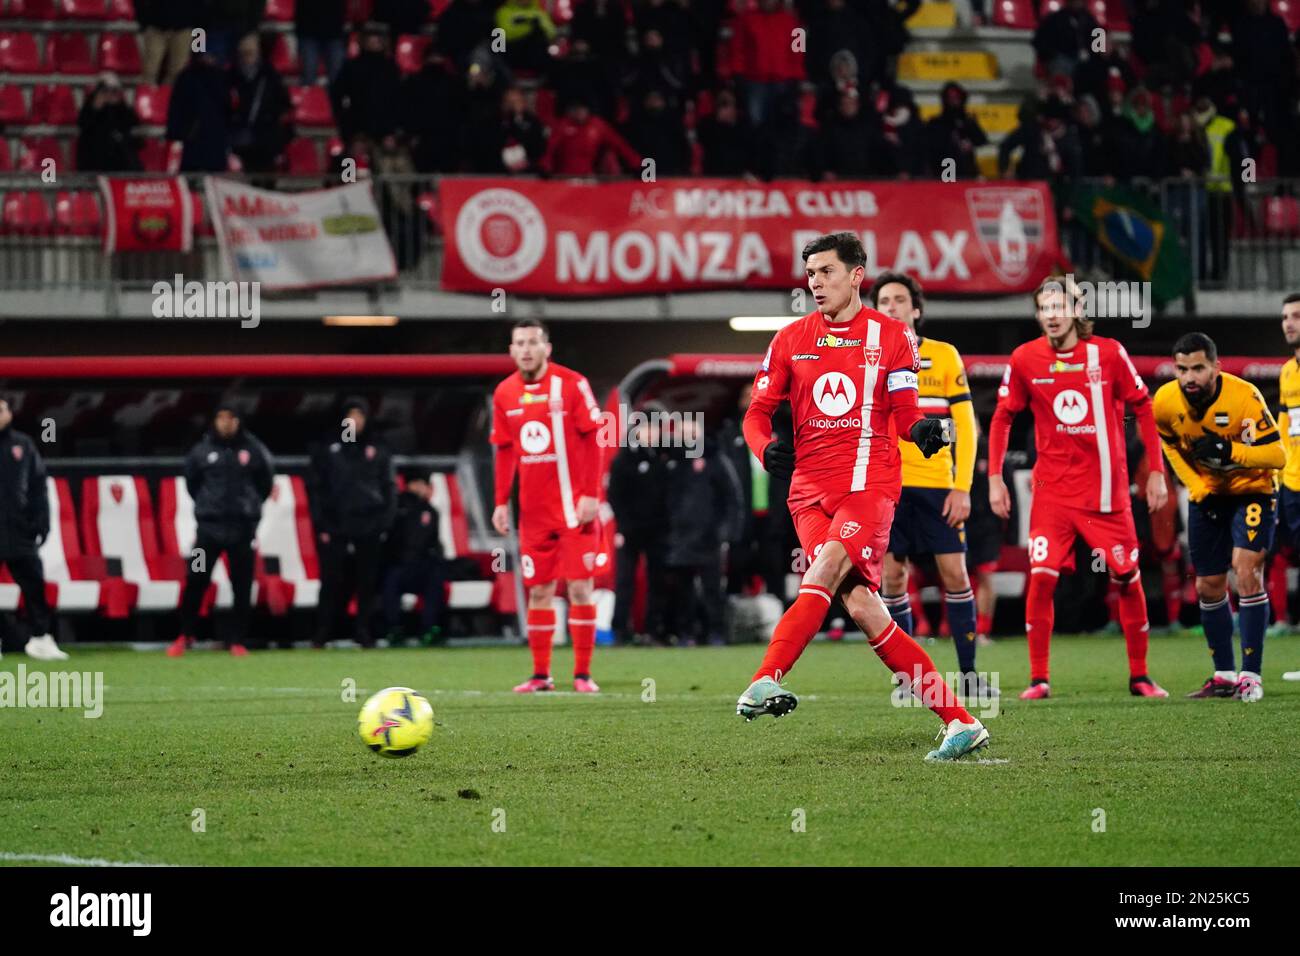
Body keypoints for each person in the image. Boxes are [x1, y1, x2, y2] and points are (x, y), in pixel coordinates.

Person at [734, 231, 988, 763]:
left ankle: (763, 679)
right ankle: (960, 721)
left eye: (826, 271)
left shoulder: (892, 336)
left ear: (856, 275)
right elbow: (756, 414)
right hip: (806, 495)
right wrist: (764, 449)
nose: (815, 283)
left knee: (821, 575)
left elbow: (905, 412)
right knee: (865, 608)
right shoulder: (789, 339)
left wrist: (922, 432)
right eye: (809, 274)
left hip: (868, 488)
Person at [988, 276, 1170, 699]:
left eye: (1059, 306)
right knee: (1043, 577)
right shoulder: (1024, 359)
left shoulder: (1108, 354)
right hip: (1052, 494)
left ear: (1076, 309)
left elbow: (1143, 406)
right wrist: (996, 479)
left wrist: (1157, 471)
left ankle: (1140, 676)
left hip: (1106, 494)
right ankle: (1039, 679)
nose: (1051, 315)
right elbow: (1002, 417)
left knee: (1127, 578)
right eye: (1044, 308)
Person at [869, 271, 988, 698]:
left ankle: (971, 675)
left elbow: (966, 427)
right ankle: (909, 680)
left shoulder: (944, 355)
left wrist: (962, 486)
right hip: (888, 486)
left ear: (916, 309)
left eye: (900, 299)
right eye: (884, 301)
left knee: (954, 573)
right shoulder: (870, 356)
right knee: (893, 578)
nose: (893, 307)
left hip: (938, 485)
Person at [1155, 334, 1284, 701]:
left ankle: (1252, 676)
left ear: (1216, 366)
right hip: (1209, 496)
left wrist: (1231, 450)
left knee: (1246, 570)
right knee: (1207, 586)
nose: (1189, 377)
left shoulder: (1244, 396)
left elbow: (1277, 456)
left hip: (1253, 491)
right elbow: (1168, 444)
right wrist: (1194, 485)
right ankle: (1225, 676)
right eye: (1182, 369)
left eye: (1198, 368)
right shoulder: (1164, 401)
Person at [491, 319, 603, 693]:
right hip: (534, 514)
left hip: (574, 509)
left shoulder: (572, 384)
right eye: (519, 343)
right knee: (539, 591)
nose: (525, 349)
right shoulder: (504, 393)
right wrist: (500, 502)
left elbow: (594, 439)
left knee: (579, 588)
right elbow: (505, 451)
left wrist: (591, 494)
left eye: (532, 342)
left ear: (546, 348)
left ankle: (583, 675)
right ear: (511, 350)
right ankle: (541, 675)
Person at [168, 400, 274, 657]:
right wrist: (209, 508)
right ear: (215, 420)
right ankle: (186, 634)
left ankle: (237, 640)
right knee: (195, 581)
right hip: (208, 530)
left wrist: (248, 510)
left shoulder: (254, 450)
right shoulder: (202, 451)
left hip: (242, 530)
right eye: (221, 417)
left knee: (242, 585)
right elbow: (192, 483)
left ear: (239, 421)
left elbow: (265, 483)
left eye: (231, 417)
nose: (226, 422)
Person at [309, 397, 396, 648]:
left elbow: (389, 488)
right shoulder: (328, 449)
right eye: (351, 415)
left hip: (369, 525)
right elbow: (316, 489)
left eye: (360, 416)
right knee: (331, 580)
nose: (355, 421)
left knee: (367, 581)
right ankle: (323, 632)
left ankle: (363, 631)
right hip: (335, 525)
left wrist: (383, 524)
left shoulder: (378, 449)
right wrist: (321, 525)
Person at [660, 418, 744, 645]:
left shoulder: (715, 458)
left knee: (712, 590)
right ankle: (686, 634)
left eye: (691, 431)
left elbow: (733, 498)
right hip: (679, 538)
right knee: (682, 591)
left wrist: (726, 532)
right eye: (683, 432)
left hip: (709, 538)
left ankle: (717, 632)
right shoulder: (672, 460)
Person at [0, 397, 68, 661]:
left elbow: (39, 485)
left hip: (18, 529)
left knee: (34, 585)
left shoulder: (23, 444)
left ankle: (41, 638)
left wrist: (42, 521)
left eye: (2, 409)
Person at [607, 420, 667, 644]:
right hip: (630, 531)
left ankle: (652, 630)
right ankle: (620, 630)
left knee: (657, 582)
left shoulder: (660, 457)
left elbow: (665, 496)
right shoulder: (623, 460)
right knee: (624, 581)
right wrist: (622, 528)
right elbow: (615, 496)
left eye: (654, 429)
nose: (651, 434)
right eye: (647, 429)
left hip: (656, 531)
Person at [382, 472, 446, 645]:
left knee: (435, 576)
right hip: (398, 564)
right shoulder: (396, 507)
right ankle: (393, 628)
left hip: (421, 566)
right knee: (391, 578)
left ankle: (430, 628)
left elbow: (433, 543)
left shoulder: (431, 511)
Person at [1276, 294, 1300, 683]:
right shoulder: (1286, 373)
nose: (1289, 322)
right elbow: (1284, 426)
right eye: (1285, 317)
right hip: (1293, 483)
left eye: (1297, 316)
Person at [228, 34, 292, 174]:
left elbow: (283, 103)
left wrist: (272, 117)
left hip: (266, 137)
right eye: (243, 53)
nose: (246, 58)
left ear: (258, 53)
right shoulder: (230, 77)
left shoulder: (270, 76)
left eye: (250, 53)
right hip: (239, 136)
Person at [76, 73, 141, 172]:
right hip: (94, 155)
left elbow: (133, 122)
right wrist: (96, 108)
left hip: (118, 156)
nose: (109, 94)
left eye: (113, 91)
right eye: (105, 90)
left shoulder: (120, 106)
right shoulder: (91, 104)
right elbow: (83, 125)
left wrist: (120, 104)